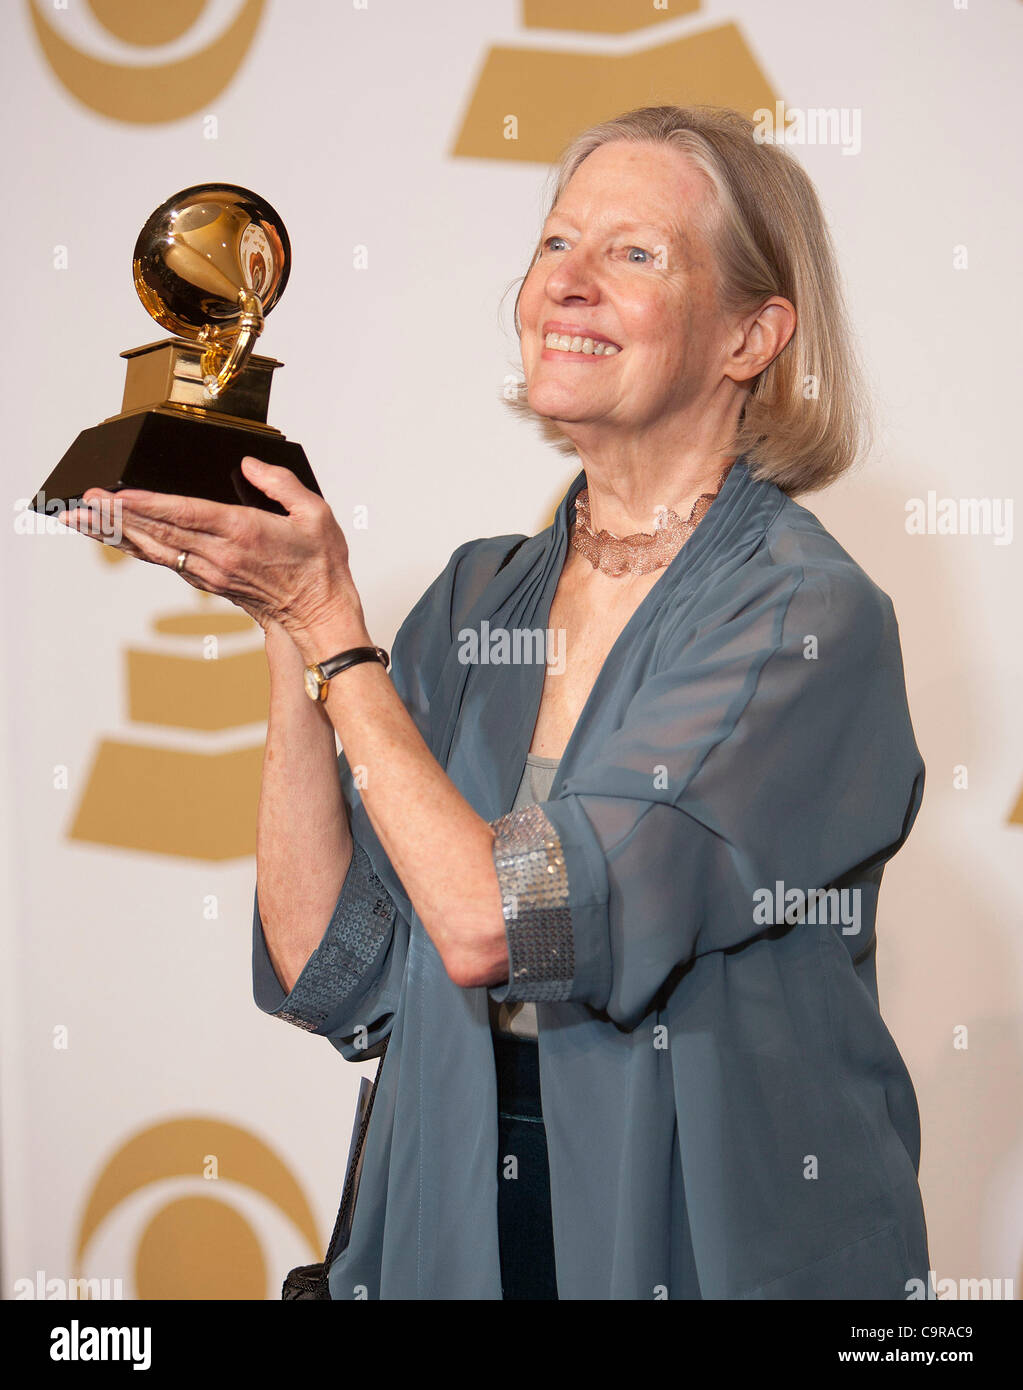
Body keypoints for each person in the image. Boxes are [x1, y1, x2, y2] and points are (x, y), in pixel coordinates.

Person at [65, 105, 931, 1300]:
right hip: (461, 1226)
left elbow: (514, 918)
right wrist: (286, 625)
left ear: (751, 336)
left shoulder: (803, 615)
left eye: (635, 254)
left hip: (700, 1237)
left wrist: (334, 629)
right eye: (556, 244)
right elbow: (334, 961)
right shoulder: (483, 593)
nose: (567, 285)